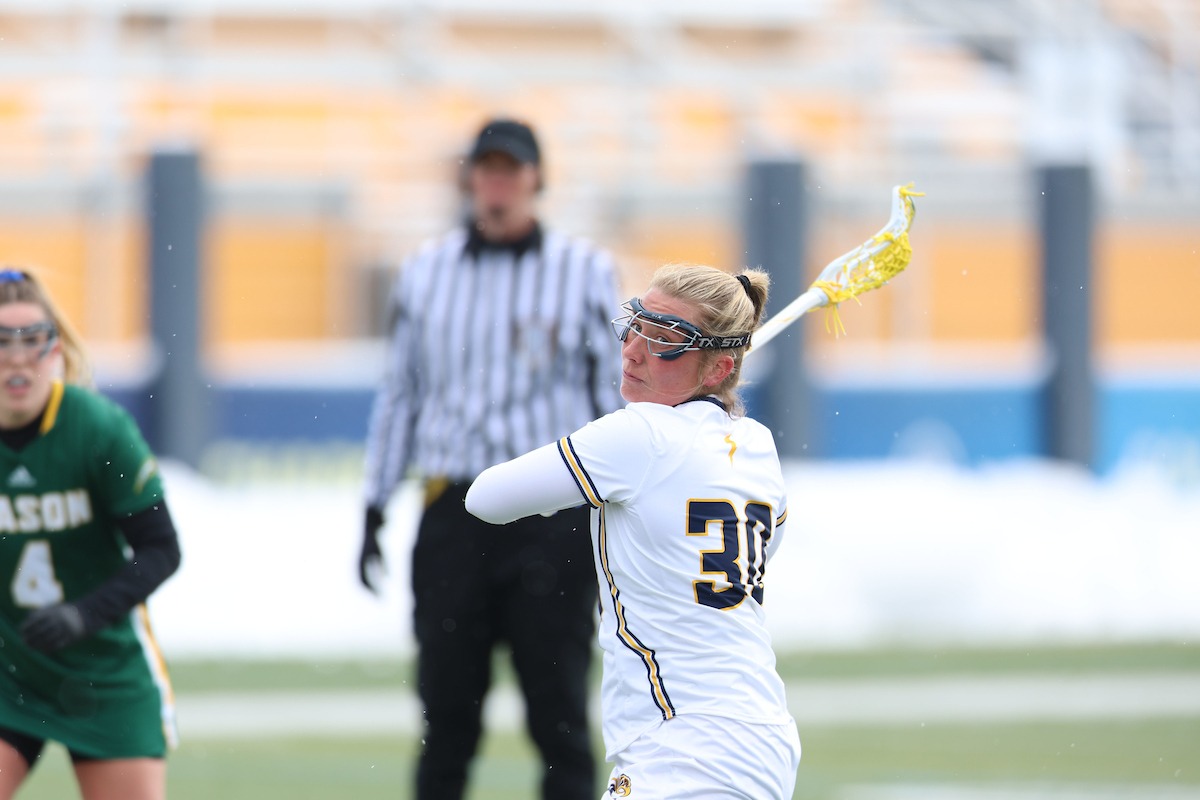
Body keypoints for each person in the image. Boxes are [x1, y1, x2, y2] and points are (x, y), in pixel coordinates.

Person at [465, 263, 803, 800]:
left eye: (666, 340)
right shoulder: (757, 443)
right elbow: (766, 545)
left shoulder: (635, 436)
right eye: (636, 325)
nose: (635, 351)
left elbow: (484, 498)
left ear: (718, 368)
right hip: (758, 734)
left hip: (686, 747)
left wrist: (591, 455)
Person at [359, 117, 624, 800]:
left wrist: (618, 504)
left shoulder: (585, 271)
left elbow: (609, 398)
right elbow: (402, 393)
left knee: (559, 709)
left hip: (550, 514)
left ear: (538, 179)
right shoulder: (425, 271)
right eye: (487, 168)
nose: (498, 183)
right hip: (454, 507)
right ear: (470, 176)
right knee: (445, 715)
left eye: (512, 169)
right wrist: (375, 502)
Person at [0, 266, 182, 800]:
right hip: (7, 668)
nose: (16, 359)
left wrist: (84, 614)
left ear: (55, 350)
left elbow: (162, 549)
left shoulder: (99, 429)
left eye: (31, 342)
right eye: (1, 343)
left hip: (104, 668)